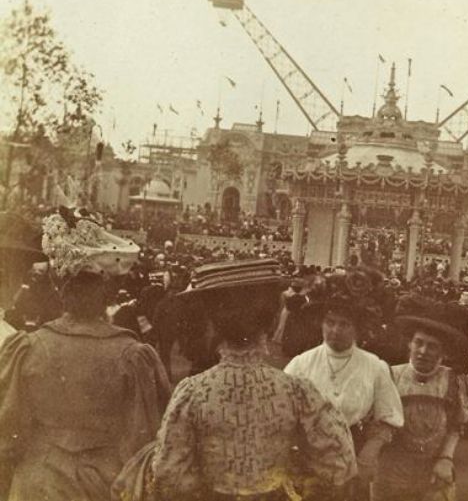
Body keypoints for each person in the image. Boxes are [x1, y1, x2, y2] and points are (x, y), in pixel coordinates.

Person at [150, 263, 357, 501]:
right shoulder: (295, 391)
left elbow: (169, 474)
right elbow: (339, 463)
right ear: (271, 322)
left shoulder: (192, 392)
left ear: (214, 323)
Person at [0, 210, 170, 501]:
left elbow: (8, 430)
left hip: (37, 482)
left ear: (61, 291)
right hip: (101, 482)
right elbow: (145, 440)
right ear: (108, 294)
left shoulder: (27, 347)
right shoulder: (132, 356)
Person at [284, 284, 404, 496]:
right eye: (330, 322)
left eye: (344, 324)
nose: (335, 330)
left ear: (357, 329)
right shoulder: (301, 363)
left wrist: (368, 455)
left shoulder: (374, 366)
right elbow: (281, 412)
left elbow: (389, 417)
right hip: (308, 457)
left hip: (354, 456)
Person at [373, 299, 468, 501]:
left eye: (432, 346)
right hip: (391, 470)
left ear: (444, 351)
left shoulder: (454, 381)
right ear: (409, 343)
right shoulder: (390, 375)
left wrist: (446, 458)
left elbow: (456, 426)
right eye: (419, 343)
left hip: (433, 471)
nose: (423, 351)